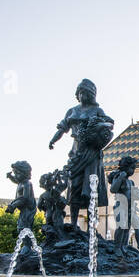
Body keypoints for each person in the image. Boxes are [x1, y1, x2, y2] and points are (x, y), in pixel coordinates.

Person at [49, 78, 114, 233]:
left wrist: (99, 124)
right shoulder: (72, 111)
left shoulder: (97, 110)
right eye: (81, 92)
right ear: (77, 94)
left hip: (91, 152)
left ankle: (92, 226)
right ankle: (73, 223)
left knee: (91, 189)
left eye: (86, 93)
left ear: (92, 94)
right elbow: (62, 128)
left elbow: (110, 124)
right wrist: (53, 140)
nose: (83, 95)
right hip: (76, 151)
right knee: (75, 185)